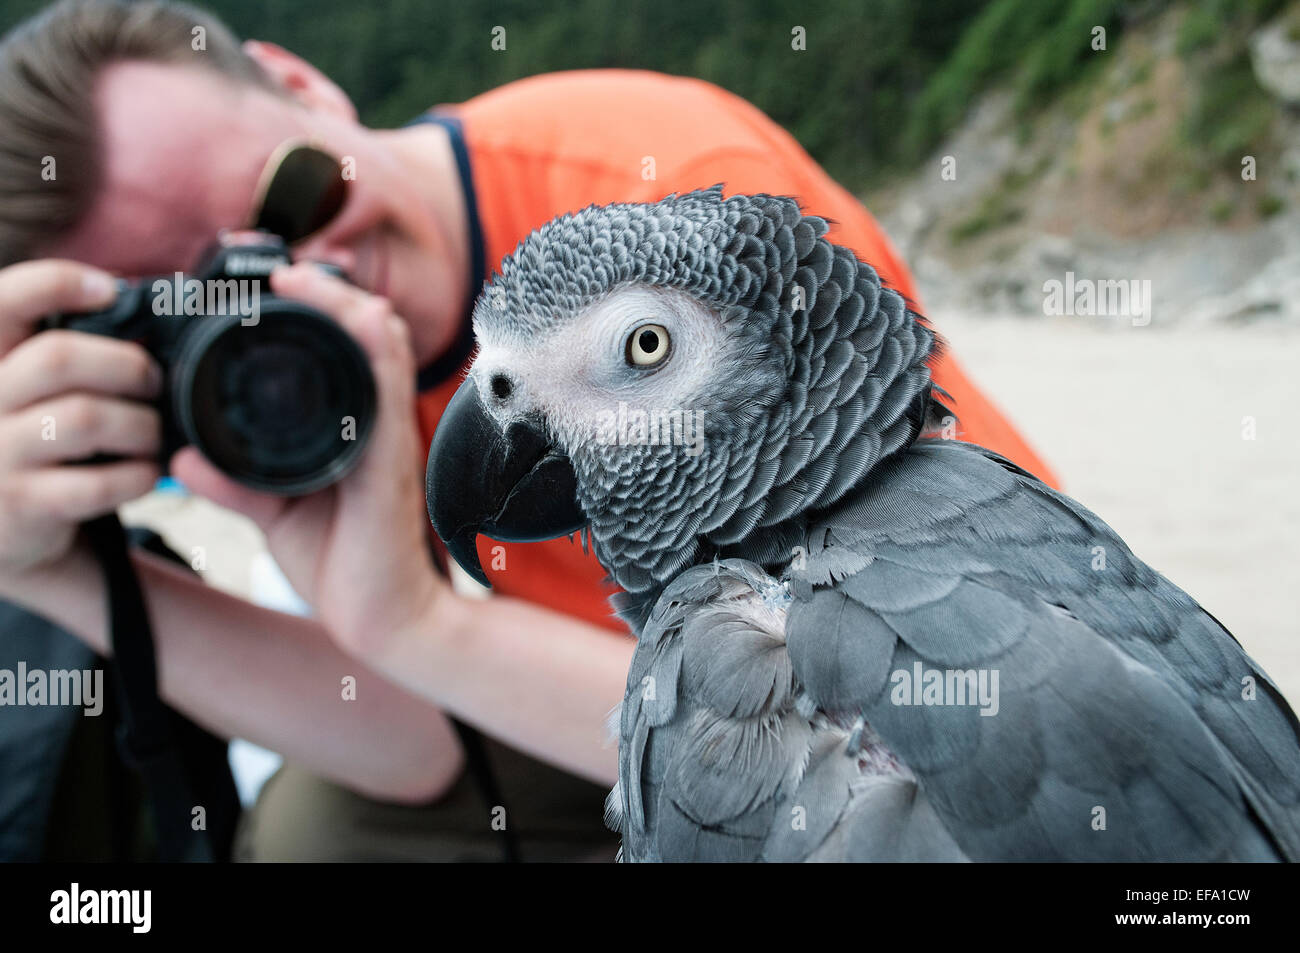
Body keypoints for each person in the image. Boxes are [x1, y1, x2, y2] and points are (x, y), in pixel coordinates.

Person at [0, 0, 1057, 860]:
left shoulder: (667, 214)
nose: (302, 281)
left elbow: (982, 714)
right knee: (311, 833)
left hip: (868, 716)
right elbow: (411, 751)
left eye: (289, 196)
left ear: (301, 83)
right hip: (617, 708)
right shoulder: (277, 393)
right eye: (208, 304)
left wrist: (427, 619)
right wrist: (51, 572)